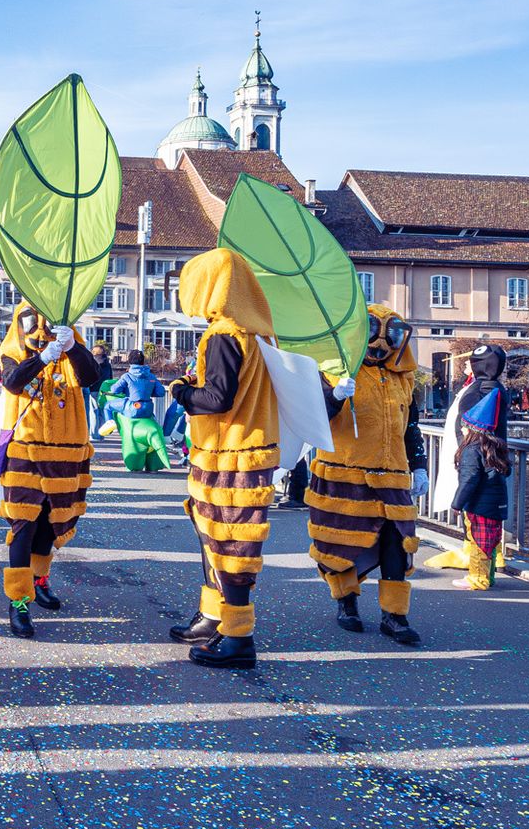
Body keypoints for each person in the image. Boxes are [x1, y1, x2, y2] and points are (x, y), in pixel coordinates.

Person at [167, 248, 280, 669]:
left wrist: (180, 391)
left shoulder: (223, 334)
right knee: (219, 539)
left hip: (228, 454)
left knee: (230, 544)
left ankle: (238, 637)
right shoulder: (260, 332)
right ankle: (214, 617)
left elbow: (216, 399)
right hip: (250, 448)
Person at [304, 307, 427, 646]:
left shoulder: (403, 377)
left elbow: (410, 425)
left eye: (393, 335)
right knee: (341, 541)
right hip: (345, 472)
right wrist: (334, 396)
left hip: (392, 474)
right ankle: (347, 603)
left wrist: (419, 465)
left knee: (397, 543)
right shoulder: (334, 370)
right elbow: (313, 419)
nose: (382, 344)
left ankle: (395, 615)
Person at [0, 302, 98, 639]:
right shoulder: (12, 350)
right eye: (34, 328)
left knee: (50, 525)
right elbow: (12, 382)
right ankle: (18, 601)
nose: (41, 334)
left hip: (65, 449)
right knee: (23, 524)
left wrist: (73, 348)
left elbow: (91, 378)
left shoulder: (70, 348)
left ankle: (39, 581)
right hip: (24, 448)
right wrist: (41, 358)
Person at [448, 388, 510, 591]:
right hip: (496, 504)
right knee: (491, 543)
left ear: (471, 429)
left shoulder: (470, 450)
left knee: (478, 543)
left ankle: (477, 579)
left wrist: (457, 503)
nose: (463, 431)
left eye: (465, 427)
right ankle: (488, 577)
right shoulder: (494, 448)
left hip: (479, 505)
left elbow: (469, 479)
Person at [108, 349, 170, 472]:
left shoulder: (127, 376)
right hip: (147, 410)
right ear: (143, 361)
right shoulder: (151, 376)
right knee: (153, 420)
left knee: (108, 406)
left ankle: (110, 423)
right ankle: (153, 465)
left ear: (130, 361)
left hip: (132, 410)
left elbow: (114, 390)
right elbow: (161, 392)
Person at [87, 343, 114, 440]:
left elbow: (89, 377)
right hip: (104, 391)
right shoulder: (107, 364)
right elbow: (110, 378)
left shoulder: (92, 363)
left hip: (94, 389)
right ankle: (101, 434)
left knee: (94, 411)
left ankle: (94, 434)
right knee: (102, 412)